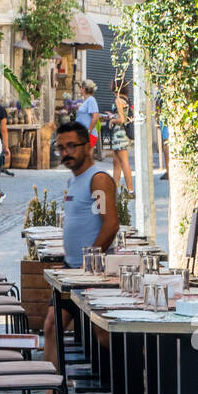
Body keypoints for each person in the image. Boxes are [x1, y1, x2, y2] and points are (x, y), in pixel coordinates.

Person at [42, 119, 119, 375]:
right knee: (51, 326)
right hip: (72, 271)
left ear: (88, 146)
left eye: (71, 146)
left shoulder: (98, 180)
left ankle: (142, 366)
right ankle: (52, 389)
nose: (66, 152)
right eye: (61, 147)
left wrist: (89, 262)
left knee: (104, 334)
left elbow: (111, 224)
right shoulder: (73, 182)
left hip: (92, 272)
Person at [110, 83, 134, 198]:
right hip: (120, 134)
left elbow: (121, 119)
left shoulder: (118, 100)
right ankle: (114, 190)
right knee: (116, 162)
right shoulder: (126, 99)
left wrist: (112, 120)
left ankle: (130, 190)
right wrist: (112, 116)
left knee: (124, 162)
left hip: (120, 134)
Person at [75, 80, 101, 159]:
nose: (80, 89)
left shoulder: (91, 100)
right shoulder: (86, 101)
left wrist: (89, 130)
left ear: (83, 89)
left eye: (81, 87)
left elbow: (95, 117)